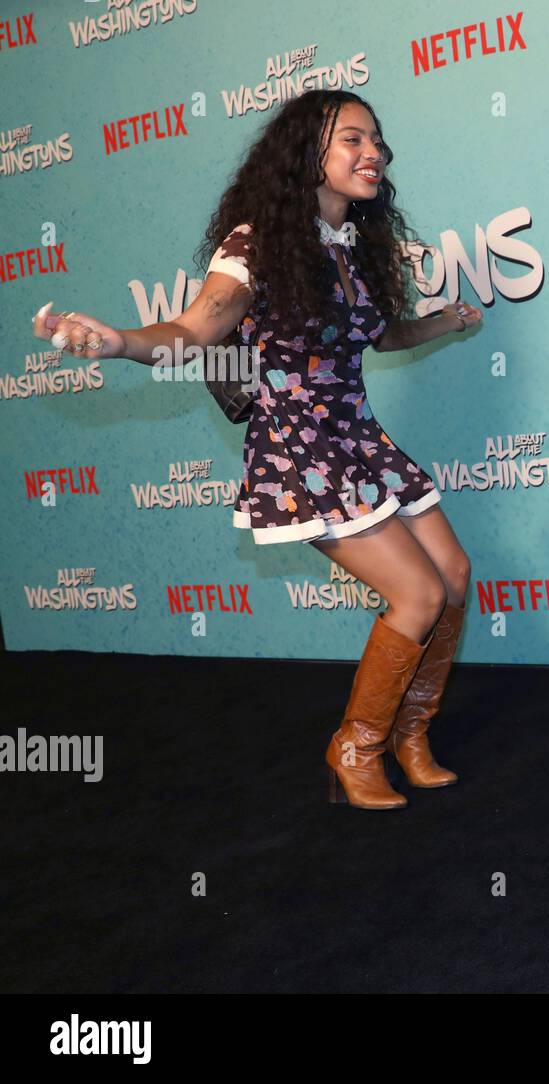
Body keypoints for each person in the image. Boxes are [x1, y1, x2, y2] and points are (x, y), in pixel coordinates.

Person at [32, 89, 482, 812]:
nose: (374, 155)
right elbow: (194, 331)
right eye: (353, 141)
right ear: (307, 156)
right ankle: (356, 745)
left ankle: (411, 734)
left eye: (378, 143)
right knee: (418, 592)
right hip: (302, 450)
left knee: (455, 574)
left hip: (361, 437)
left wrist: (442, 324)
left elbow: (378, 335)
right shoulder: (256, 244)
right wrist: (117, 342)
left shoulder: (359, 248)